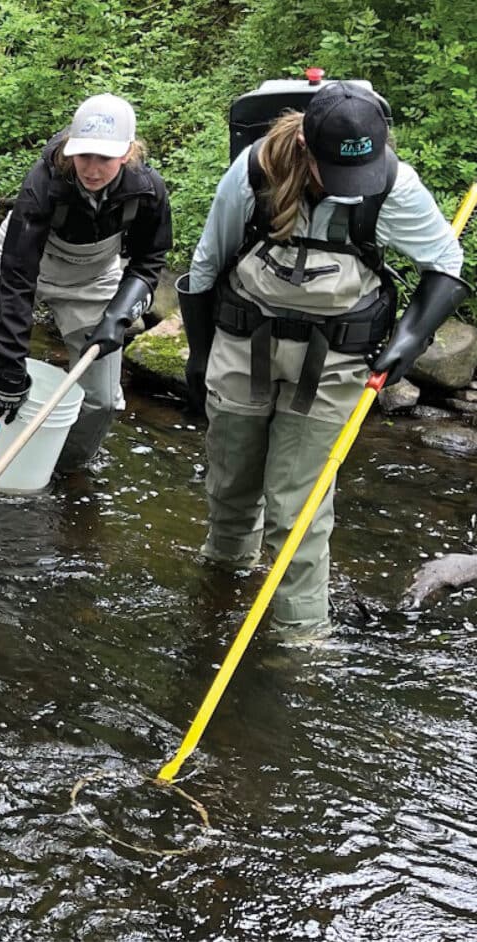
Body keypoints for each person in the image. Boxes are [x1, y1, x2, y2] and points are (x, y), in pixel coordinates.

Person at [182, 82, 468, 640]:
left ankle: (301, 642)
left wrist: (410, 340)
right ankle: (218, 594)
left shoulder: (394, 186)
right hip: (244, 346)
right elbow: (206, 264)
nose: (349, 190)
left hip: (336, 361)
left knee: (299, 512)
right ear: (307, 150)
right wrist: (198, 355)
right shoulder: (253, 172)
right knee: (231, 488)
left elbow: (445, 262)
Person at [0, 94, 172, 473]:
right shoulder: (44, 182)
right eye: (84, 155)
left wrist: (119, 316)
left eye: (104, 158)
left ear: (127, 153)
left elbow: (150, 261)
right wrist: (10, 364)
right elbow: (17, 277)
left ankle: (63, 471)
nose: (91, 169)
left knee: (102, 401)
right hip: (22, 263)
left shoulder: (148, 190)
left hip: (94, 277)